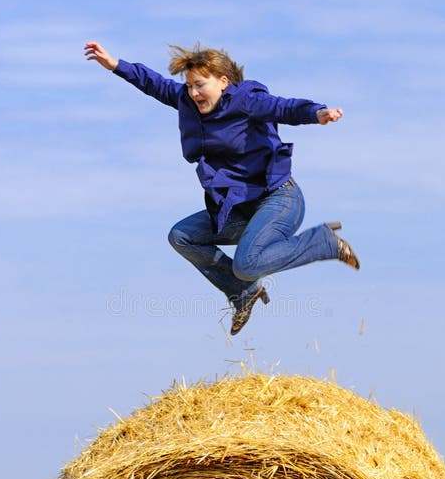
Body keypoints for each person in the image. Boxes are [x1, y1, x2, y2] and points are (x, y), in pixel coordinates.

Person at [84, 41, 360, 335]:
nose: (193, 93)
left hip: (278, 199)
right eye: (189, 86)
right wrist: (115, 65)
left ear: (223, 82)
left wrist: (317, 113)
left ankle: (324, 243)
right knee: (182, 236)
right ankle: (242, 292)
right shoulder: (188, 103)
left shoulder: (247, 101)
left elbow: (283, 107)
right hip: (238, 208)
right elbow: (154, 83)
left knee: (247, 264)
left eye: (200, 85)